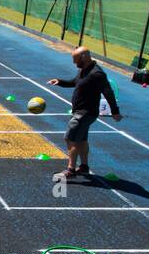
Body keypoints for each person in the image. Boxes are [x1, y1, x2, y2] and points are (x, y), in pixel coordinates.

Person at [47, 46, 122, 178]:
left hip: (85, 112)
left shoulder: (97, 74)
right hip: (82, 111)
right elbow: (75, 82)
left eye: (75, 59)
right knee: (81, 139)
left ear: (84, 57)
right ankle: (84, 167)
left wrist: (115, 111)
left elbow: (108, 92)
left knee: (71, 138)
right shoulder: (84, 70)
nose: (74, 62)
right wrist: (60, 82)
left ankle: (70, 170)